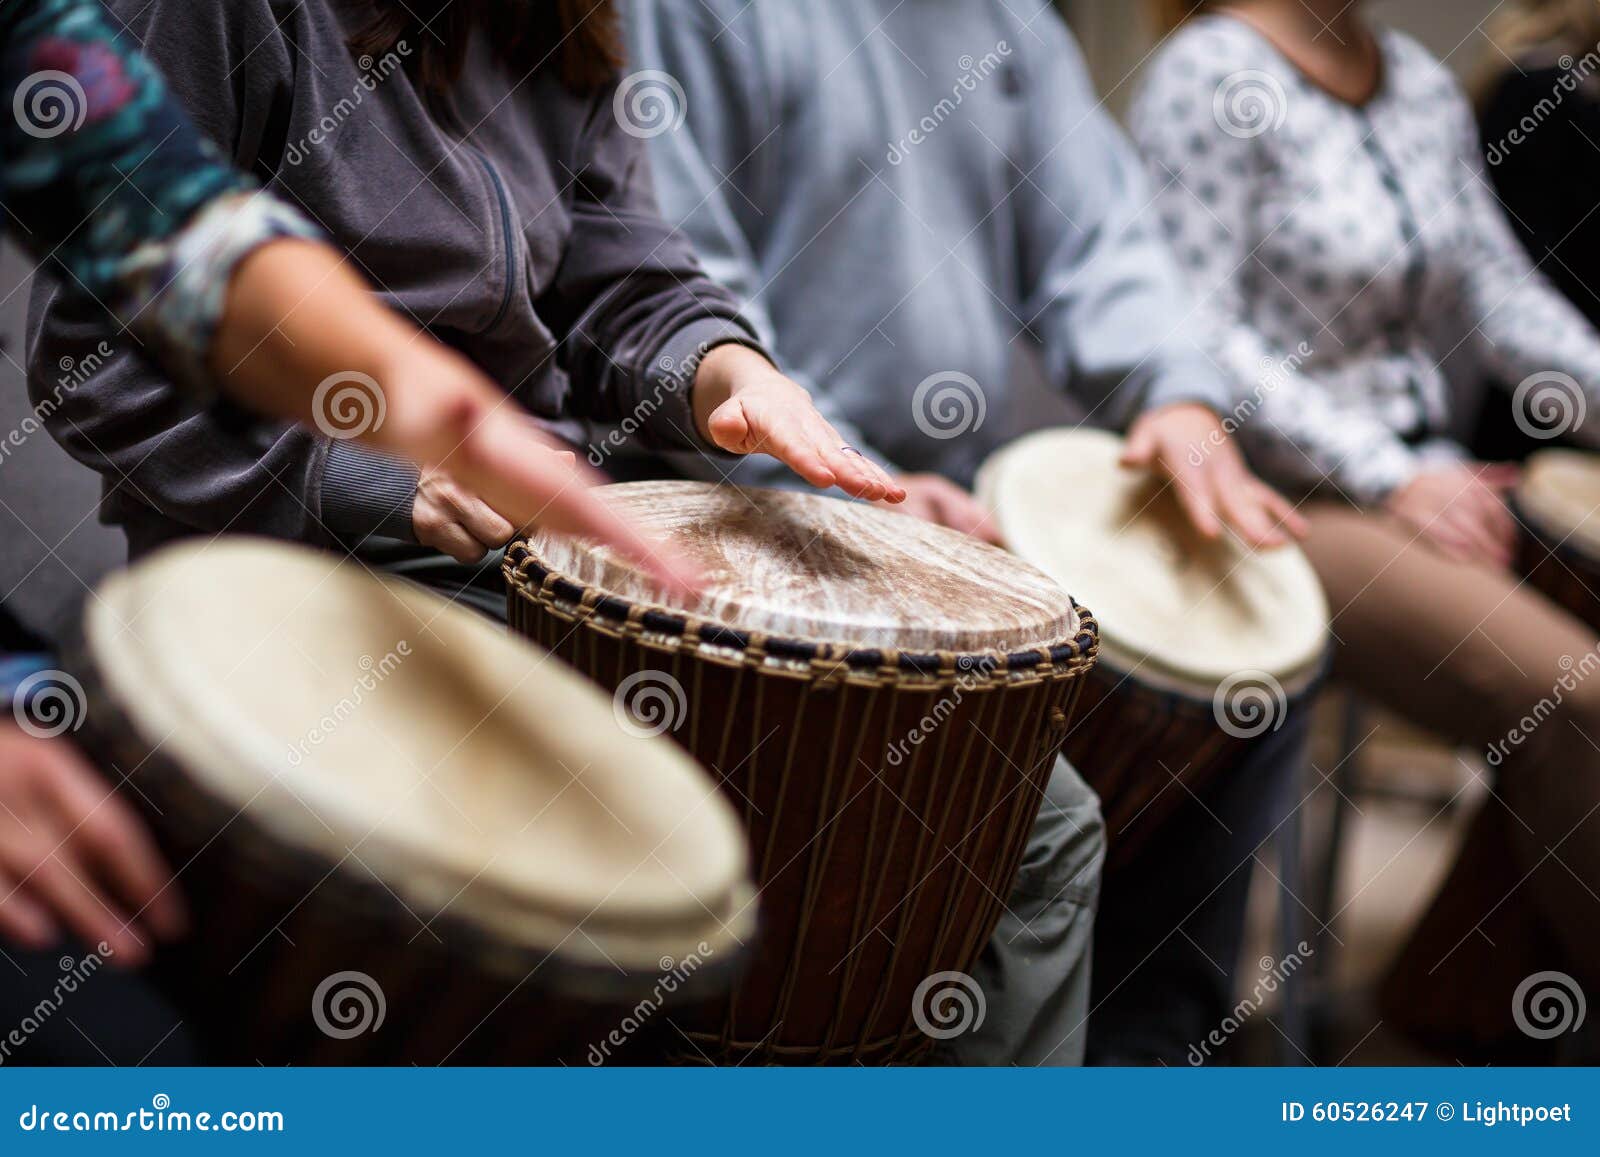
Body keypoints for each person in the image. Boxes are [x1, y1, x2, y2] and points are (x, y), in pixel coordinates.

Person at [627, 0, 1310, 1065]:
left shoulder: (1008, 22)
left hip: (948, 488)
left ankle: (1149, 1054)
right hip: (754, 493)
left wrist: (1173, 395)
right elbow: (683, 284)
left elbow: (1103, 244)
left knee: (1248, 629)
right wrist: (857, 483)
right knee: (1035, 806)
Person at [26, 0, 904, 621]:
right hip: (287, 555)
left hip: (523, 525)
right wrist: (378, 474)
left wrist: (731, 371)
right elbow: (96, 357)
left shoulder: (560, 20)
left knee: (1015, 810)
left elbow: (619, 274)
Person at [1138, 0, 1600, 1057]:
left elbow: (1500, 299)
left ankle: (1466, 1001)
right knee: (1575, 695)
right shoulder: (1209, 72)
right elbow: (1196, 330)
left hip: (1428, 476)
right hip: (1275, 498)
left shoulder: (1416, 85)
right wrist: (1389, 474)